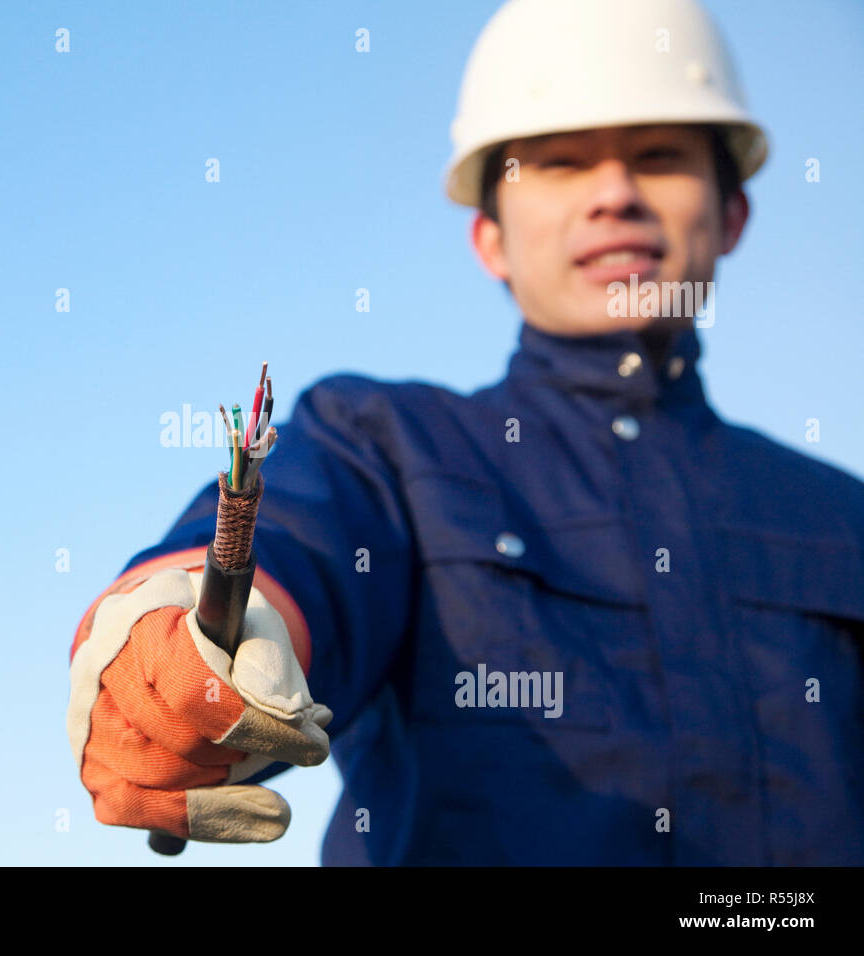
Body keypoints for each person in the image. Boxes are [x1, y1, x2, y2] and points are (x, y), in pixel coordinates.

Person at [66, 0, 864, 864]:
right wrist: (180, 645)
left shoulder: (842, 518)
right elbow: (293, 553)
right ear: (490, 238)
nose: (615, 195)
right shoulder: (388, 448)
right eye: (558, 163)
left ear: (733, 212)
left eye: (660, 156)